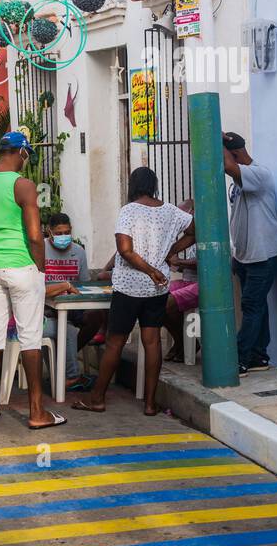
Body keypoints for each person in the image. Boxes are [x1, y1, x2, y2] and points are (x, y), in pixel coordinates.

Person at [74, 167, 194, 417]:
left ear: (132, 185)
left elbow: (125, 250)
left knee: (115, 342)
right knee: (151, 343)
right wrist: (169, 251)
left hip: (129, 287)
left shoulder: (128, 211)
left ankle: (97, 398)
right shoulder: (171, 211)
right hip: (157, 288)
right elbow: (197, 231)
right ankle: (150, 404)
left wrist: (150, 269)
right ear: (153, 185)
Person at [0, 131, 65, 428]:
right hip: (23, 268)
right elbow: (36, 236)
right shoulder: (23, 186)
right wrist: (40, 269)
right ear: (21, 152)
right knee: (30, 339)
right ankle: (37, 413)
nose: (26, 163)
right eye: (27, 157)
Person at [222, 131, 277, 375]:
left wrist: (210, 135)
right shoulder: (240, 180)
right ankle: (259, 356)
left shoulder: (259, 174)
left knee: (251, 305)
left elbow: (229, 167)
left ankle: (239, 358)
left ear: (236, 154)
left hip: (264, 255)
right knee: (256, 306)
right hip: (245, 255)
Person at [42, 211, 99, 392]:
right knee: (66, 330)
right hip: (46, 308)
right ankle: (70, 376)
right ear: (49, 232)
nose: (63, 237)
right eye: (58, 233)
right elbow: (36, 288)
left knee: (97, 316)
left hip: (73, 306)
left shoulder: (78, 251)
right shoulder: (40, 250)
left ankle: (64, 360)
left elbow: (83, 284)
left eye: (66, 232)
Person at [163, 197, 199, 362]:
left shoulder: (206, 232)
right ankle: (181, 341)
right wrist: (179, 265)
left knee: (167, 303)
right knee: (156, 298)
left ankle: (182, 343)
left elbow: (206, 264)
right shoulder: (189, 236)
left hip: (202, 285)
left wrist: (180, 262)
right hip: (187, 280)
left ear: (192, 213)